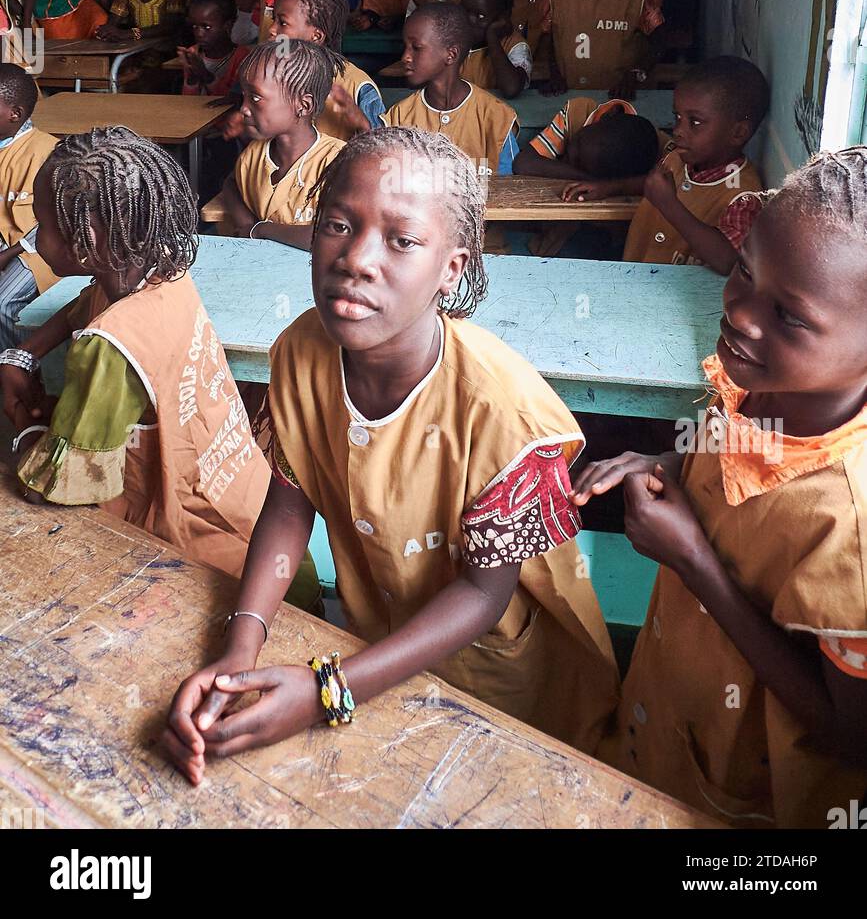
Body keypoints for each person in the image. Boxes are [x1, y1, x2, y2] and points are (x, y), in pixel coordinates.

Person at [162, 128, 619, 784]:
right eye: (336, 225)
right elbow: (290, 506)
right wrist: (239, 650)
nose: (356, 259)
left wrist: (329, 690)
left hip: (491, 674)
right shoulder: (299, 350)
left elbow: (483, 596)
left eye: (401, 241)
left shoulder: (505, 413)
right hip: (368, 640)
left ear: (451, 267)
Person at [573, 148, 867, 829]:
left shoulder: (849, 521)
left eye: (788, 316)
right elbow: (740, 461)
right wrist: (664, 461)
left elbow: (850, 738)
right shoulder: (757, 384)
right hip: (668, 711)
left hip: (745, 792)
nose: (739, 313)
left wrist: (693, 563)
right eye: (741, 271)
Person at [5, 127, 316, 608]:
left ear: (87, 240)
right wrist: (24, 352)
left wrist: (22, 428)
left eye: (42, 225)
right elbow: (89, 301)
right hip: (260, 515)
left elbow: (68, 483)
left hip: (212, 565)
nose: (34, 237)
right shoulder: (161, 271)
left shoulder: (108, 349)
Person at [336, 4, 518, 178]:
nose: (405, 57)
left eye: (416, 48)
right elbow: (385, 180)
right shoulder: (400, 115)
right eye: (405, 47)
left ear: (451, 54)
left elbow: (509, 190)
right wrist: (363, 125)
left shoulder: (494, 116)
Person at [623, 57, 767, 273]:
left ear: (737, 133)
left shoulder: (743, 195)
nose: (678, 130)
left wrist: (669, 205)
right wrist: (609, 187)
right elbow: (656, 185)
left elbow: (729, 260)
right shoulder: (679, 158)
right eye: (677, 117)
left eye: (695, 122)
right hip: (633, 280)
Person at [222, 40, 344, 249]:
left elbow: (330, 234)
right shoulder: (254, 155)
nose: (244, 109)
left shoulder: (337, 162)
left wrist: (260, 230)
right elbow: (231, 184)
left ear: (303, 105)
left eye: (256, 97)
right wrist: (245, 222)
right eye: (244, 96)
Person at [268, 0, 384, 142]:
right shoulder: (270, 77)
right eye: (274, 20)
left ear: (316, 36)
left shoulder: (356, 86)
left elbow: (382, 148)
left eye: (283, 23)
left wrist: (361, 123)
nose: (272, 29)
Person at [0, 66, 58, 348]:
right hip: (3, 243)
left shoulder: (46, 153)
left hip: (36, 248)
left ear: (16, 114)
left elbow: (55, 221)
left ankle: (23, 374)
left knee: (3, 304)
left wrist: (9, 253)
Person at [514, 97, 659, 189]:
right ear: (606, 116)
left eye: (578, 163)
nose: (568, 156)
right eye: (577, 142)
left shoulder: (653, 145)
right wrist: (592, 180)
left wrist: (607, 186)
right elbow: (523, 163)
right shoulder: (577, 112)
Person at [460, 0, 532, 97]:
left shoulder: (515, 45)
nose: (469, 20)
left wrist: (492, 38)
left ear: (503, 18)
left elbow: (511, 88)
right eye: (465, 11)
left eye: (480, 16)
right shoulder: (453, 39)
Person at [178, 0, 250, 98]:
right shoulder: (194, 53)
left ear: (228, 25)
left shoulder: (243, 57)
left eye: (206, 27)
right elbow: (187, 100)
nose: (199, 34)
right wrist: (191, 77)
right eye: (195, 26)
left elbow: (232, 101)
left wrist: (206, 76)